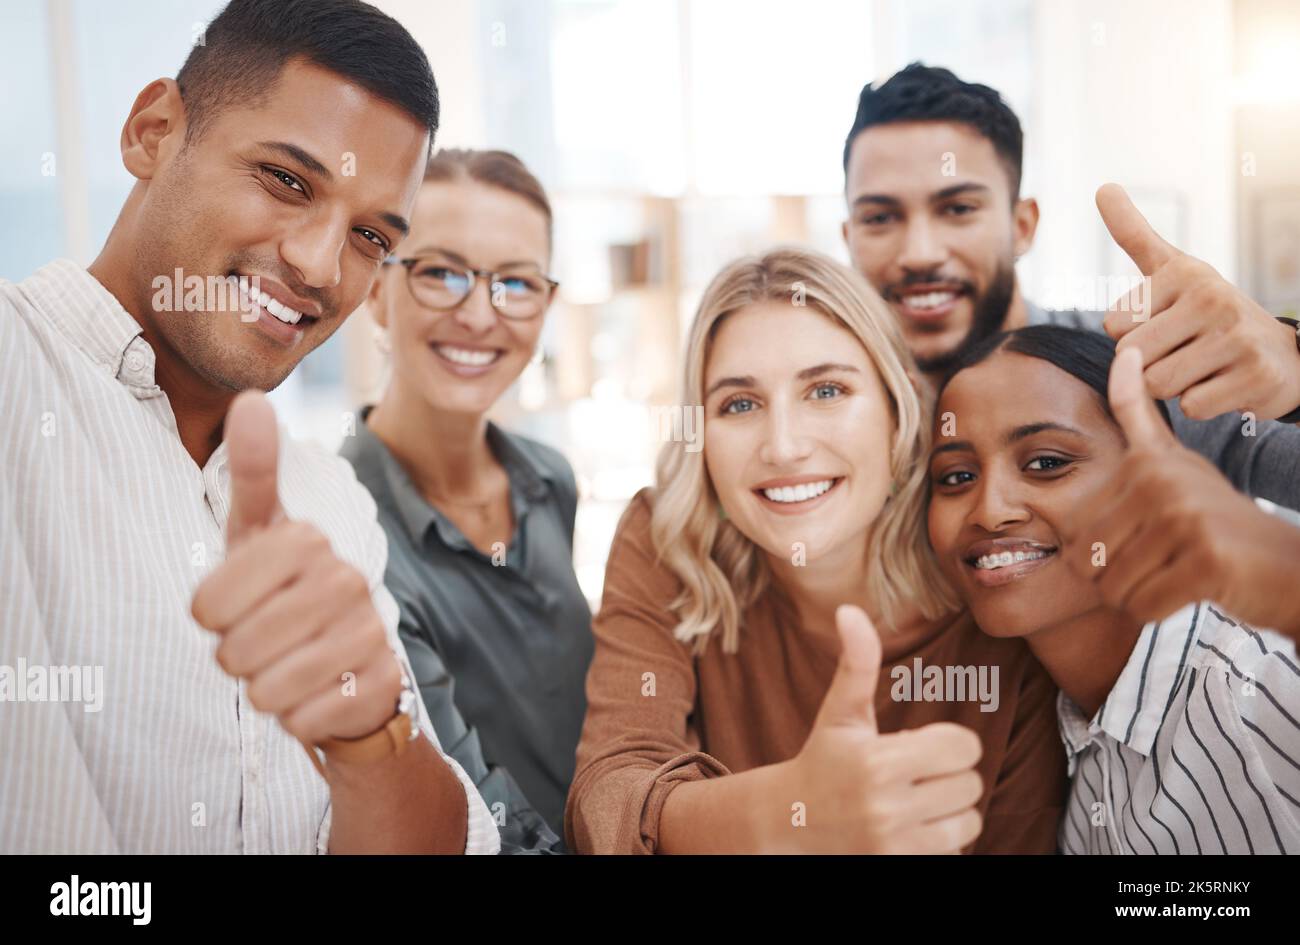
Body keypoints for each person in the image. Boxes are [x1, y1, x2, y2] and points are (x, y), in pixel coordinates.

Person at [0, 0, 497, 854]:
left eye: (371, 235)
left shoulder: (329, 500)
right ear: (152, 132)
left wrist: (369, 738)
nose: (318, 265)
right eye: (287, 181)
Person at [565, 248, 1067, 854]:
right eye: (740, 404)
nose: (784, 447)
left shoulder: (990, 571)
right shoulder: (667, 536)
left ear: (898, 409)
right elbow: (604, 801)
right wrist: (782, 813)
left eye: (826, 390)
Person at [841, 63, 1300, 511]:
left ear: (1022, 225)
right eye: (879, 218)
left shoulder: (1146, 373)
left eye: (958, 208)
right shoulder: (822, 411)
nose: (920, 253)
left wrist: (1295, 372)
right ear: (849, 239)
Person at [926, 324, 1300, 853]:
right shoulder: (1072, 747)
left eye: (1047, 463)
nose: (990, 511)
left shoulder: (1256, 681)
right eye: (956, 477)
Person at [340, 149, 591, 853]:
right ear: (377, 290)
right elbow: (457, 796)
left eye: (515, 282)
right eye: (441, 273)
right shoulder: (345, 526)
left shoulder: (551, 479)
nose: (480, 314)